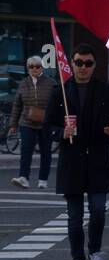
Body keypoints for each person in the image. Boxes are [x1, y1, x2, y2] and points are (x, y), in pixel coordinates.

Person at [43, 44, 109, 260]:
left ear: (94, 66)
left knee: (98, 210)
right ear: (72, 64)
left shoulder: (106, 90)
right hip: (72, 163)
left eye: (88, 63)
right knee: (74, 217)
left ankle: (95, 251)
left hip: (98, 161)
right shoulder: (61, 92)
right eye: (79, 63)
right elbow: (48, 127)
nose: (83, 68)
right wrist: (61, 133)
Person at [9, 55, 56, 189]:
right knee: (26, 150)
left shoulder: (51, 83)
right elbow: (17, 105)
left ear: (42, 68)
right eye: (31, 66)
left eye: (37, 66)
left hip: (45, 123)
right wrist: (13, 124)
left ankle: (43, 180)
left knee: (46, 151)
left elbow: (57, 103)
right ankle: (24, 177)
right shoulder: (23, 83)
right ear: (28, 68)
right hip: (27, 122)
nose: (34, 69)